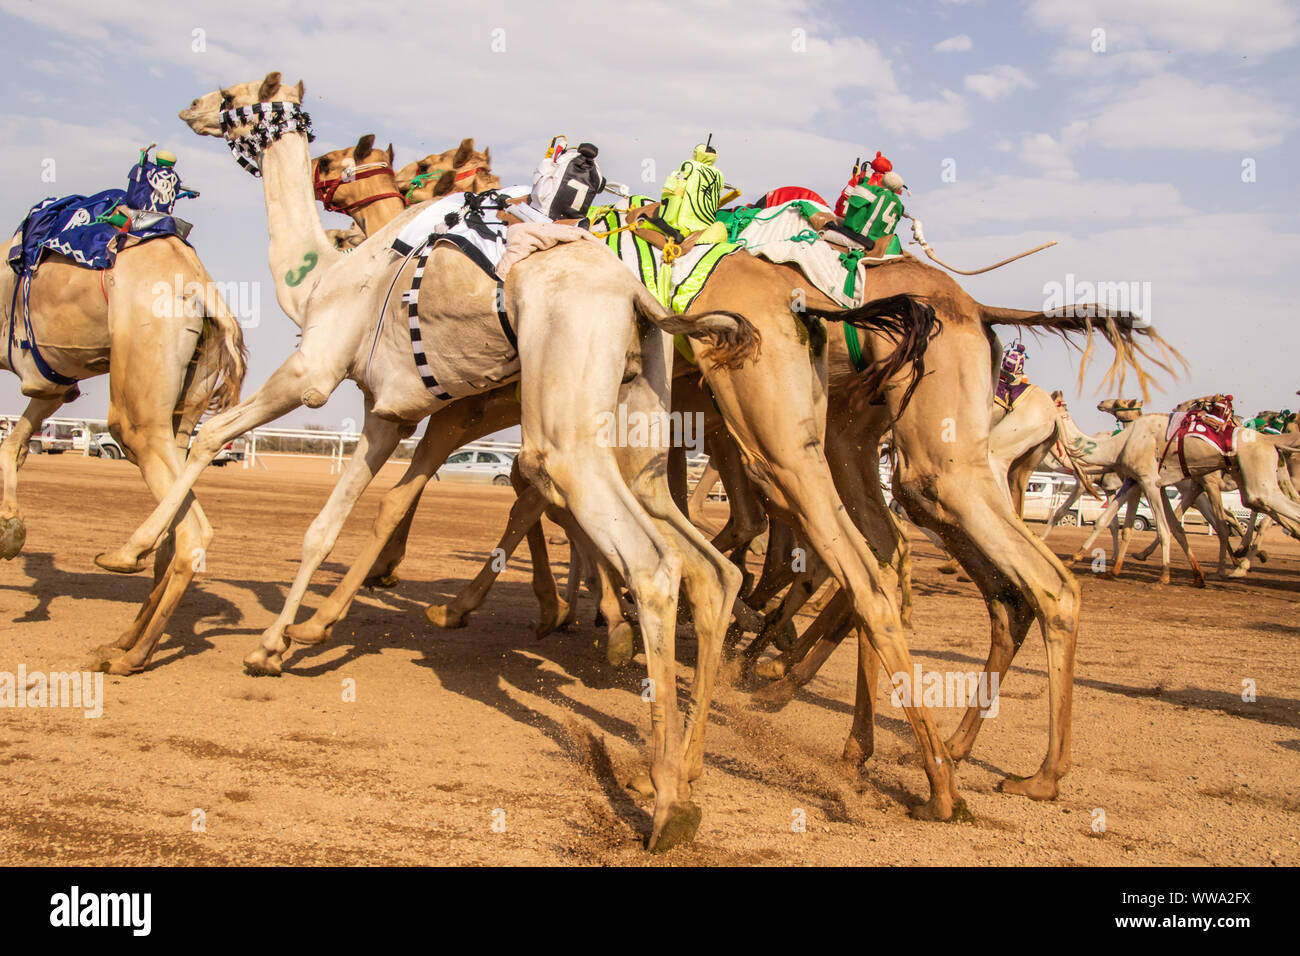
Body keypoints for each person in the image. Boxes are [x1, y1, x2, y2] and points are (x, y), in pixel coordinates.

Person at [660, 141, 727, 242]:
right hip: (706, 225)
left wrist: (667, 219)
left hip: (683, 221)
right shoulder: (719, 174)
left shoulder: (689, 164)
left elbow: (676, 189)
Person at [841, 168, 907, 254]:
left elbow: (851, 217)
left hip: (862, 239)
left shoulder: (875, 191)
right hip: (881, 245)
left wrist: (866, 180)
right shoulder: (900, 205)